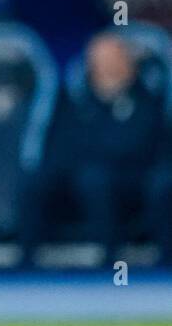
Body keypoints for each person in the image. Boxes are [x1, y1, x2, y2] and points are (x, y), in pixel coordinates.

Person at [18, 33, 172, 267]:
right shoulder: (75, 99)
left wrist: (99, 150)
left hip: (130, 177)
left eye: (115, 60)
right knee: (35, 181)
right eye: (101, 61)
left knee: (97, 179)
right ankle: (26, 259)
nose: (109, 68)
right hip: (79, 174)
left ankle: (111, 258)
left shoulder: (146, 99)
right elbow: (64, 145)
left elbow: (139, 144)